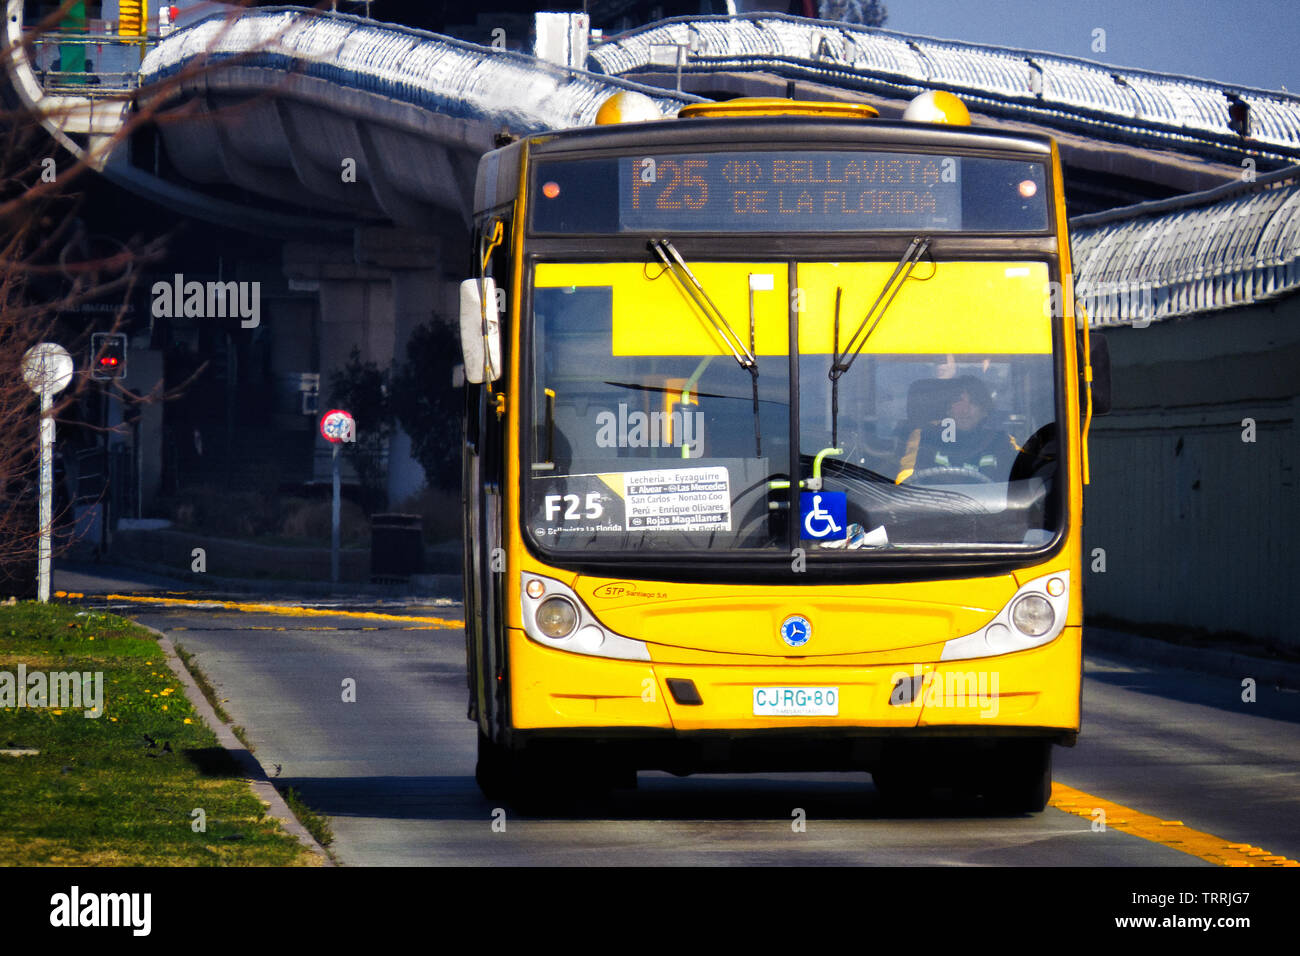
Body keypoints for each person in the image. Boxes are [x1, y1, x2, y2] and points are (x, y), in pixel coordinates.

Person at [897, 375, 1018, 481]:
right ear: (948, 409)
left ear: (984, 410)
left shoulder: (1003, 441)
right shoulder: (926, 436)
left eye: (973, 402)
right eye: (958, 402)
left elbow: (1026, 476)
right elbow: (906, 478)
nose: (965, 410)